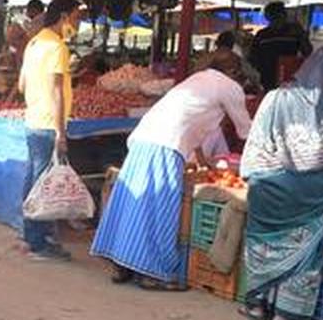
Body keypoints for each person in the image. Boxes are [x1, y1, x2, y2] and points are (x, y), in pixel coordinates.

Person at [91, 51, 252, 289]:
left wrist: (200, 158)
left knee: (131, 202)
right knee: (158, 207)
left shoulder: (198, 79)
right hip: (166, 145)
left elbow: (189, 118)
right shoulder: (229, 87)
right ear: (234, 72)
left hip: (145, 138)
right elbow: (246, 131)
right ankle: (152, 273)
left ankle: (121, 266)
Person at [239, 47, 323, 320]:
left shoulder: (275, 97)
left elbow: (256, 142)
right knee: (303, 249)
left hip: (267, 184)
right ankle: (286, 315)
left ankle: (256, 304)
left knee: (263, 243)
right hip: (307, 191)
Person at [17, 0, 82, 262]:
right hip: (47, 123)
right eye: (76, 18)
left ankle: (32, 234)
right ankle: (39, 243)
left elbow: (21, 84)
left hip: (33, 119)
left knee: (34, 179)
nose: (77, 24)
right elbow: (57, 92)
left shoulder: (34, 43)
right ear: (64, 17)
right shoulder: (57, 48)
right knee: (44, 183)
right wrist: (60, 132)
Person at [249, 1, 313, 92]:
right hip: (268, 80)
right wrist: (262, 69)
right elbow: (252, 57)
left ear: (284, 15)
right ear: (268, 17)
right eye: (274, 15)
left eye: (280, 14)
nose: (277, 18)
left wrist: (302, 35)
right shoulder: (262, 35)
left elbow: (308, 52)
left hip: (289, 79)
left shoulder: (294, 32)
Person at [7, 0, 46, 68]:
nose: (27, 14)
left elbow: (12, 42)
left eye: (28, 11)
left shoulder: (36, 23)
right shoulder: (42, 22)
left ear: (33, 10)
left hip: (33, 63)